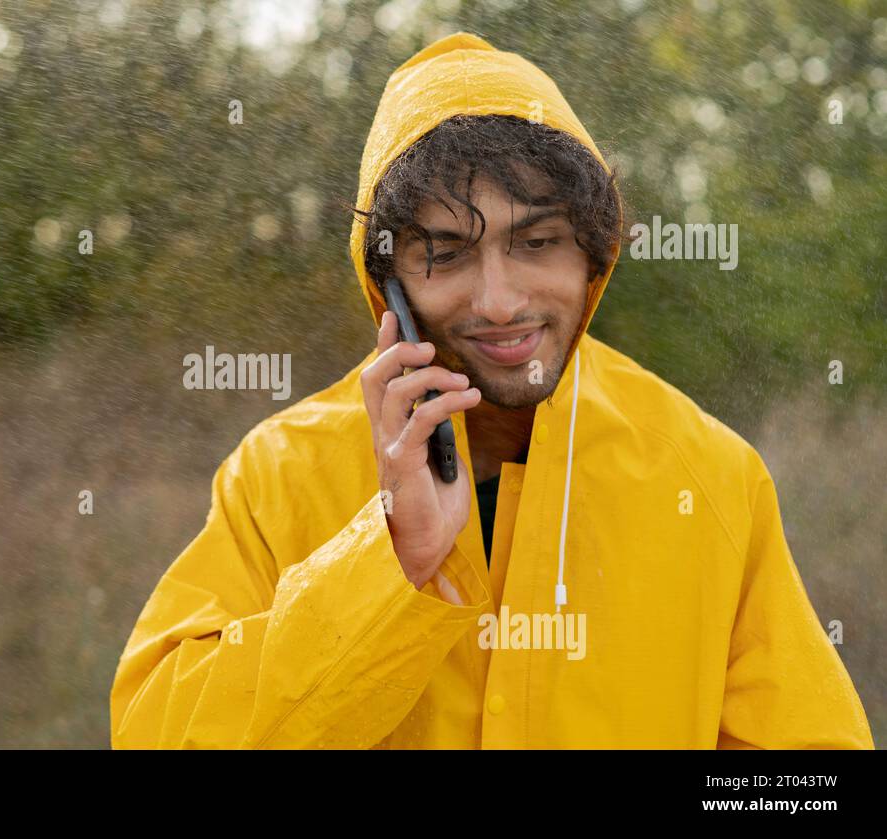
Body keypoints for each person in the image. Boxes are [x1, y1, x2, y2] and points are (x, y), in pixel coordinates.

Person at [109, 32, 873, 749]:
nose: (502, 300)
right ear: (388, 286)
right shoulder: (278, 473)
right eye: (446, 253)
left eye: (537, 242)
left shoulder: (712, 477)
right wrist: (386, 564)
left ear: (593, 258)